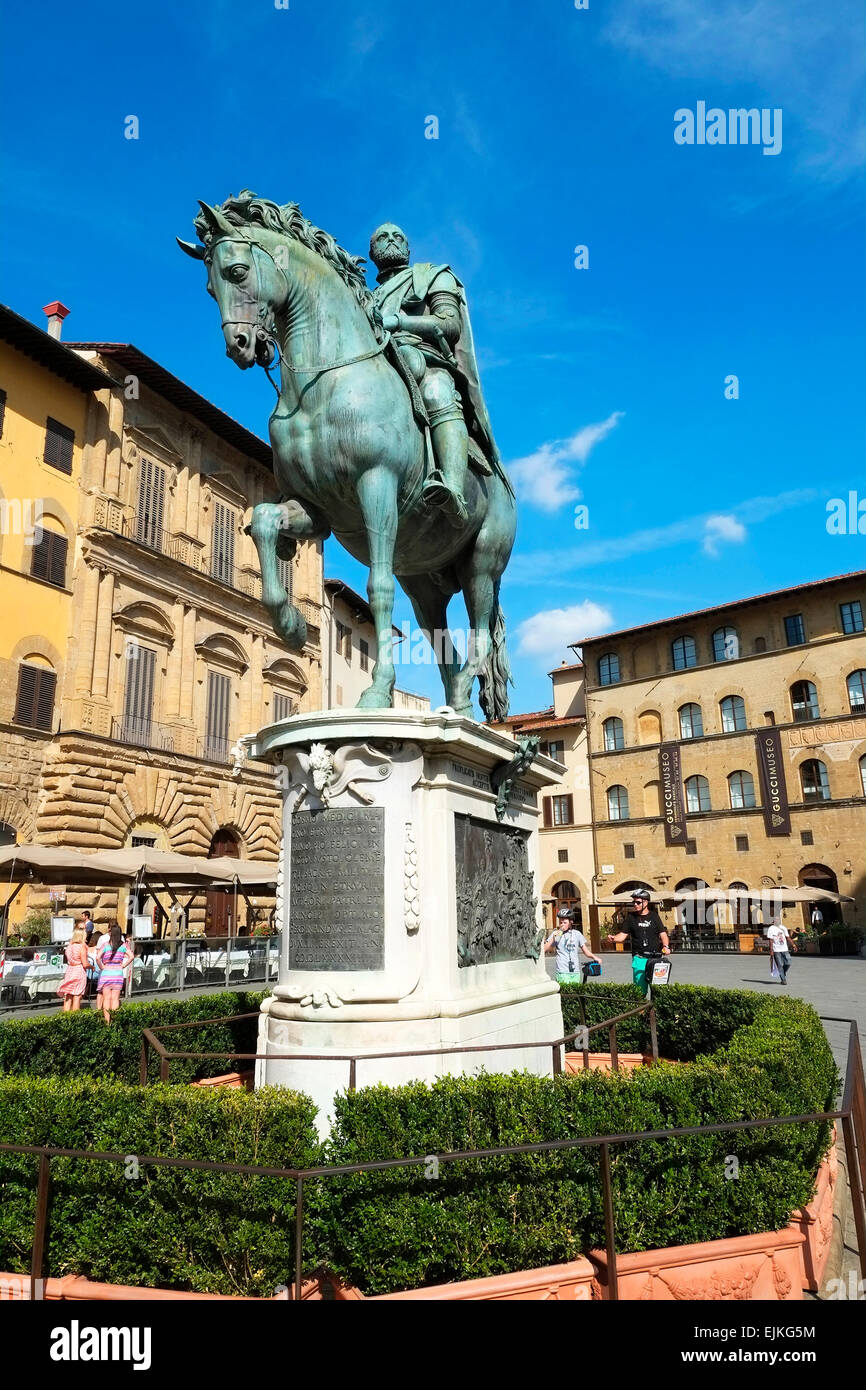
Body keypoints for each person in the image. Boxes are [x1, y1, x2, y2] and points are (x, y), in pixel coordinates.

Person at [368, 222, 501, 528]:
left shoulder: (433, 275)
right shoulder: (367, 296)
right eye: (382, 238)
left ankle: (454, 488)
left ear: (408, 248)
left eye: (397, 237)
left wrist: (399, 323)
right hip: (379, 360)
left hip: (424, 359)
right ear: (372, 251)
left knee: (438, 391)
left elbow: (449, 324)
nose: (390, 241)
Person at [609, 889, 671, 996]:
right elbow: (622, 935)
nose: (635, 905)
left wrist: (666, 946)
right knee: (640, 992)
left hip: (655, 958)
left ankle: (655, 1012)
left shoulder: (654, 917)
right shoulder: (631, 918)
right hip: (639, 959)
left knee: (658, 991)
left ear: (646, 902)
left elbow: (663, 934)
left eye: (638, 902)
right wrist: (614, 938)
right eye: (634, 902)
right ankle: (641, 1012)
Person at [545, 907, 602, 983]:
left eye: (565, 922)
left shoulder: (577, 934)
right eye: (561, 922)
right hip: (562, 971)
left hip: (575, 971)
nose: (562, 925)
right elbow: (546, 948)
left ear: (570, 922)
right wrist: (557, 934)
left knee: (575, 993)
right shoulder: (557, 934)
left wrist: (595, 957)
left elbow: (586, 951)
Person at [96, 923, 132, 1024]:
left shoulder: (106, 945)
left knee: (106, 998)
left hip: (106, 973)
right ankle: (114, 1021)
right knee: (115, 998)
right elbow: (132, 956)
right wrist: (124, 965)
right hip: (118, 973)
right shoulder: (124, 945)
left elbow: (98, 957)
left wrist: (102, 966)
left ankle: (107, 1022)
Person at [57, 920, 89, 1013]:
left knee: (68, 994)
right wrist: (91, 967)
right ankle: (75, 1019)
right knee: (77, 996)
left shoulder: (69, 945)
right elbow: (85, 963)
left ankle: (65, 1018)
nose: (84, 931)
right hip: (79, 970)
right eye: (81, 929)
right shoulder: (82, 946)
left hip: (70, 969)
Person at [766, 917, 795, 985]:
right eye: (776, 920)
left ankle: (783, 972)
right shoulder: (771, 928)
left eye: (778, 919)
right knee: (780, 965)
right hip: (776, 950)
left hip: (785, 949)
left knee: (788, 963)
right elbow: (771, 940)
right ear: (773, 921)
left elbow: (787, 937)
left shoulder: (783, 928)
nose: (777, 921)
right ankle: (783, 980)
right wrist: (771, 950)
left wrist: (793, 945)